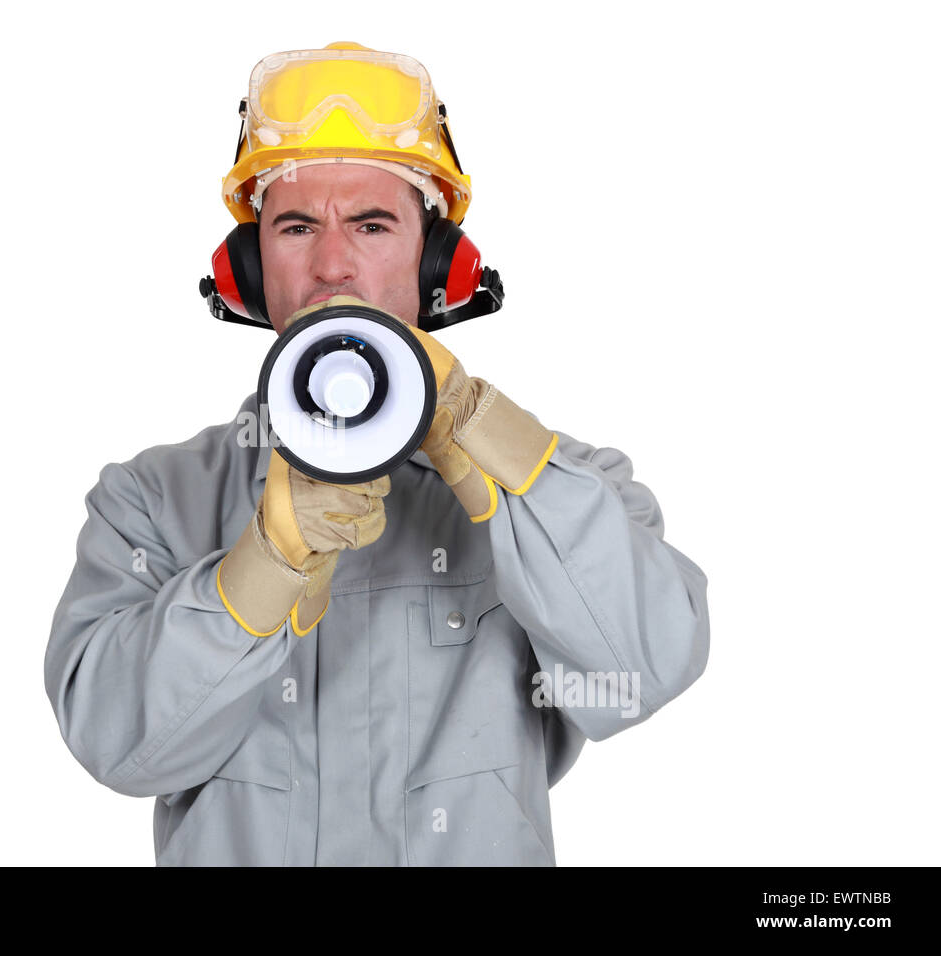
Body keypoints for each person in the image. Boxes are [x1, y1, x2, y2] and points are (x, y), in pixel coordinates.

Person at [43, 41, 710, 866]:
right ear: (250, 270)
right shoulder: (151, 499)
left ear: (438, 260)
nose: (332, 265)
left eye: (371, 223)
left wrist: (494, 448)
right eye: (295, 226)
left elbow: (641, 670)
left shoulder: (572, 486)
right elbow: (117, 745)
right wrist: (261, 569)